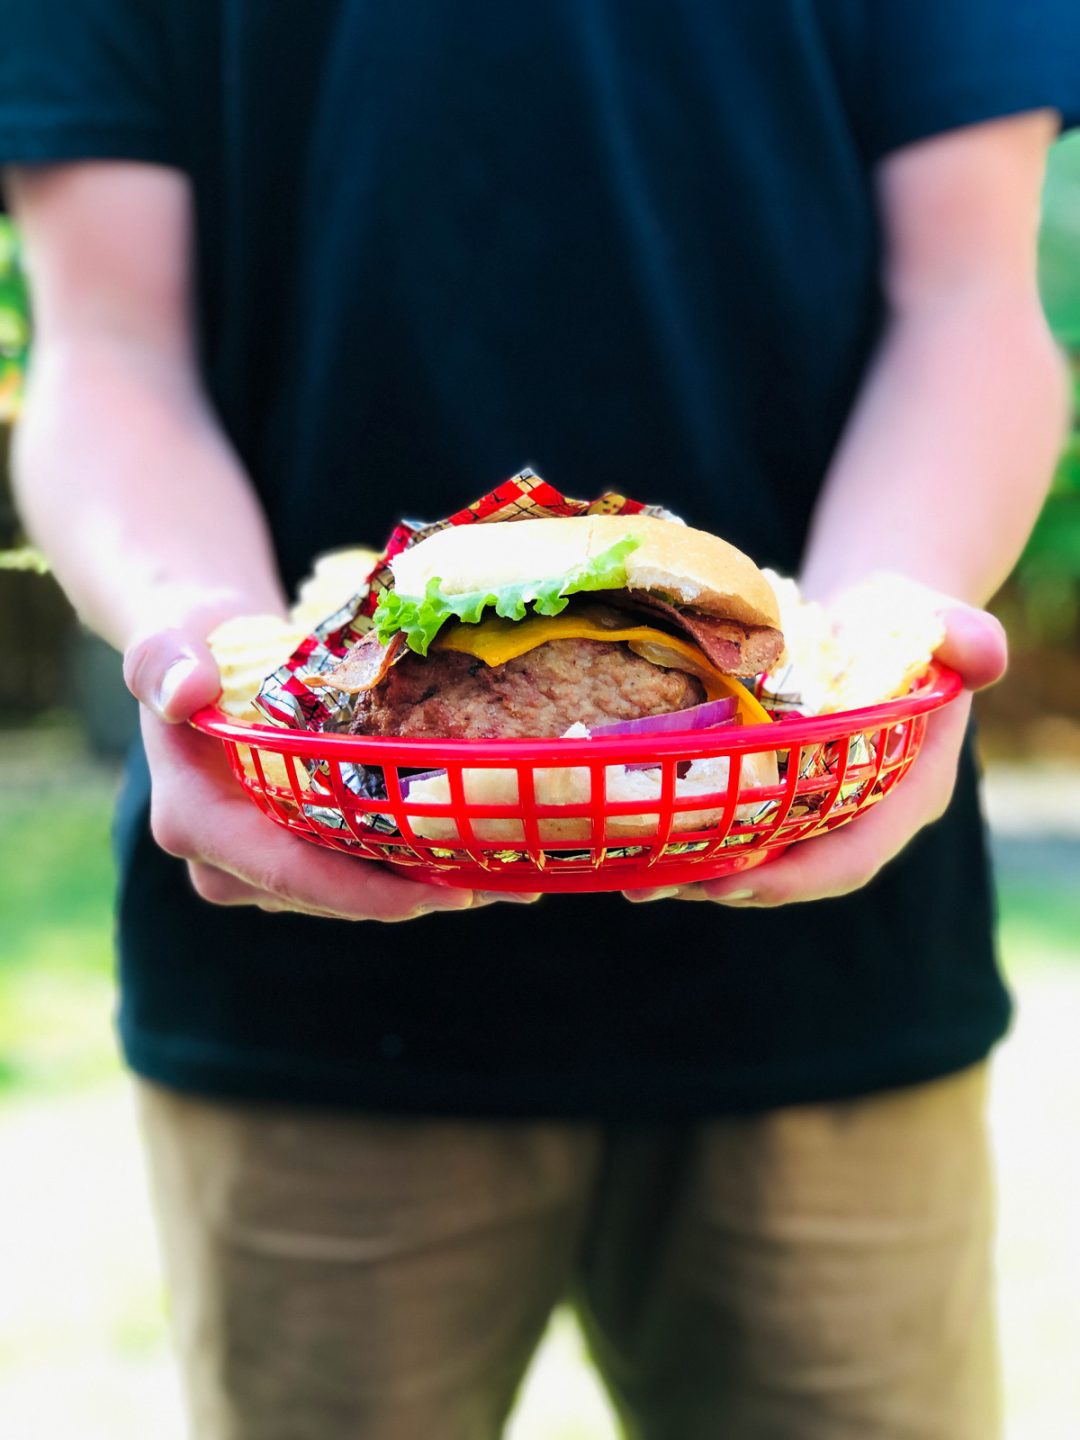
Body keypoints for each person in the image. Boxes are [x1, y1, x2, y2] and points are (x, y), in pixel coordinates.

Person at [2, 3, 1078, 1436]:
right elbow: (106, 342)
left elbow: (968, 300)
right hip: (295, 959)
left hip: (832, 960)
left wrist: (876, 642)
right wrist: (195, 636)